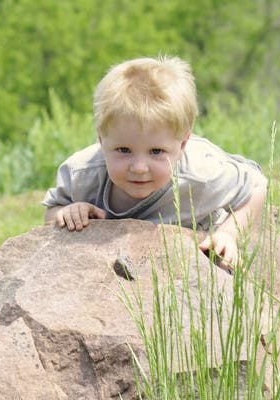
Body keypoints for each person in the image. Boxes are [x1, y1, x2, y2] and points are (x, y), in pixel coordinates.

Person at [42, 55, 267, 271]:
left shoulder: (202, 175)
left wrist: (229, 233)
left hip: (207, 210)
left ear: (181, 145)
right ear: (101, 139)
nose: (139, 167)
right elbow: (50, 214)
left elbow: (257, 185)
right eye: (124, 150)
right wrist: (67, 212)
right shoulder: (81, 174)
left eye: (156, 152)